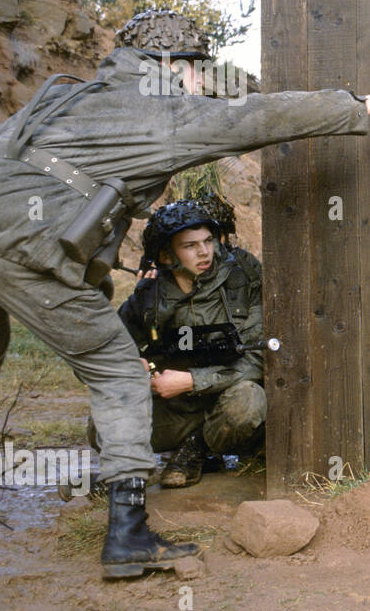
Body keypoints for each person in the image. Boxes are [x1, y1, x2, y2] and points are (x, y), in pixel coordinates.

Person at [0, 8, 370, 577]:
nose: (200, 83)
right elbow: (252, 118)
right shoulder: (159, 107)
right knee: (118, 373)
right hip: (28, 250)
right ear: (175, 66)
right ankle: (128, 535)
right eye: (199, 71)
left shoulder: (60, 96)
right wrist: (363, 105)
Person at [110, 198, 266, 489]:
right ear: (167, 256)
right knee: (104, 426)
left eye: (208, 241)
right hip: (176, 408)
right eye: (190, 246)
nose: (204, 252)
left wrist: (191, 381)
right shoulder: (150, 293)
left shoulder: (242, 279)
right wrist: (135, 367)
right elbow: (108, 350)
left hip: (228, 399)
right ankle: (195, 444)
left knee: (249, 402)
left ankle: (198, 447)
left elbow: (258, 360)